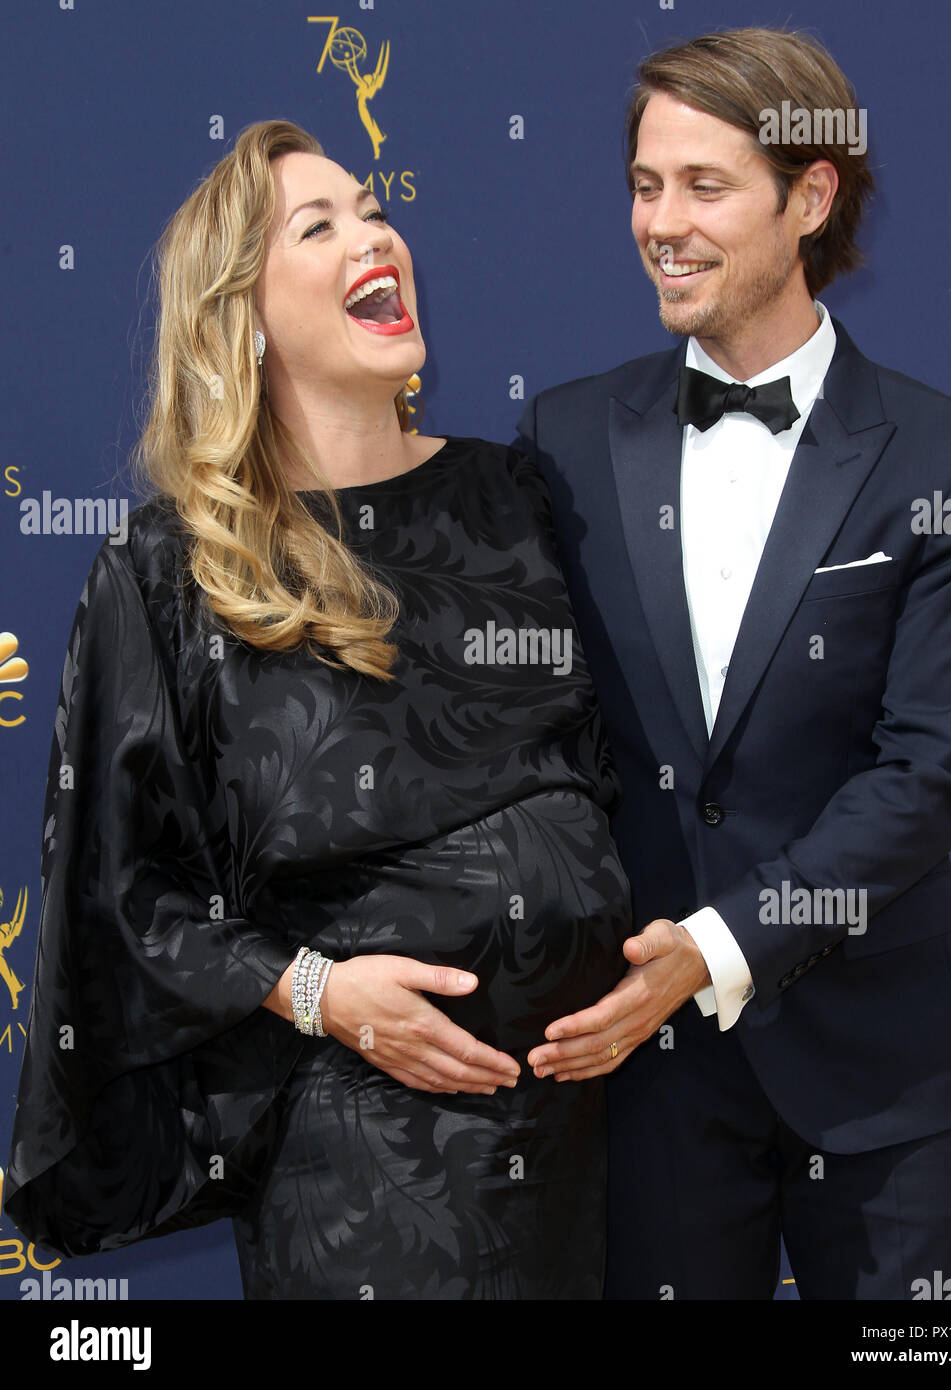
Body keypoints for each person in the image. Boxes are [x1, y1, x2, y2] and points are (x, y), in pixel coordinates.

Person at [3, 120, 632, 1300]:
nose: (374, 234)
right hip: (360, 1173)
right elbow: (119, 897)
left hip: (591, 1143)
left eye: (373, 212)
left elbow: (618, 769)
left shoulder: (515, 492)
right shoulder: (168, 572)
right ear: (238, 316)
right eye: (320, 224)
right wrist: (319, 993)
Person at [517, 27, 951, 1299]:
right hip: (651, 1084)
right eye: (644, 185)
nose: (661, 223)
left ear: (810, 196)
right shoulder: (566, 436)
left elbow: (927, 776)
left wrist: (719, 944)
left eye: (704, 185)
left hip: (888, 1078)